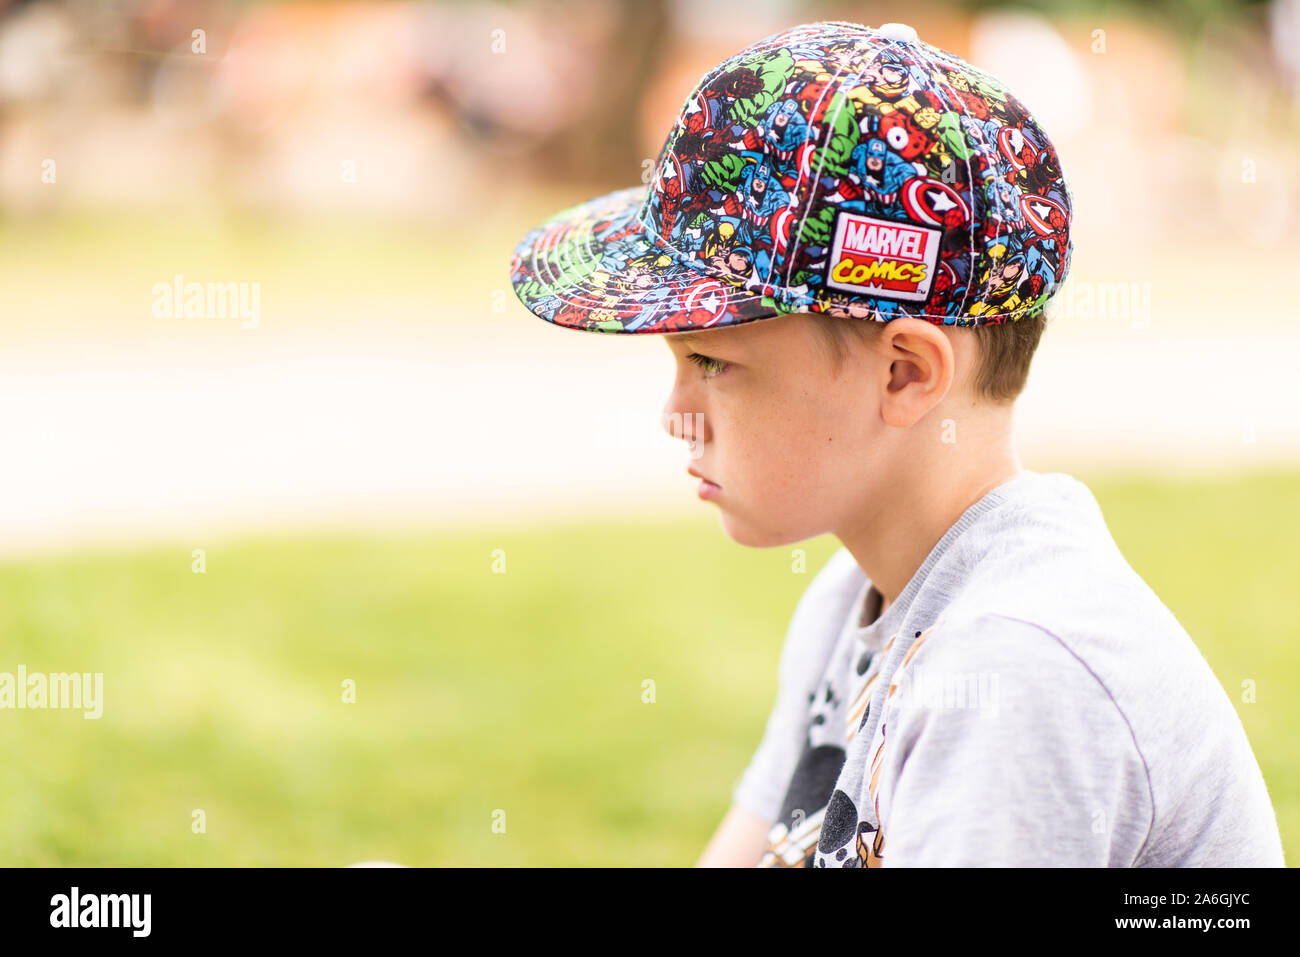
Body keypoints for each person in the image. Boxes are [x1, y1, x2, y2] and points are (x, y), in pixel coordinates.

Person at [507, 20, 1286, 867]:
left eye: (711, 362)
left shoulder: (1017, 671)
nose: (676, 412)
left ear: (906, 375)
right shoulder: (854, 602)